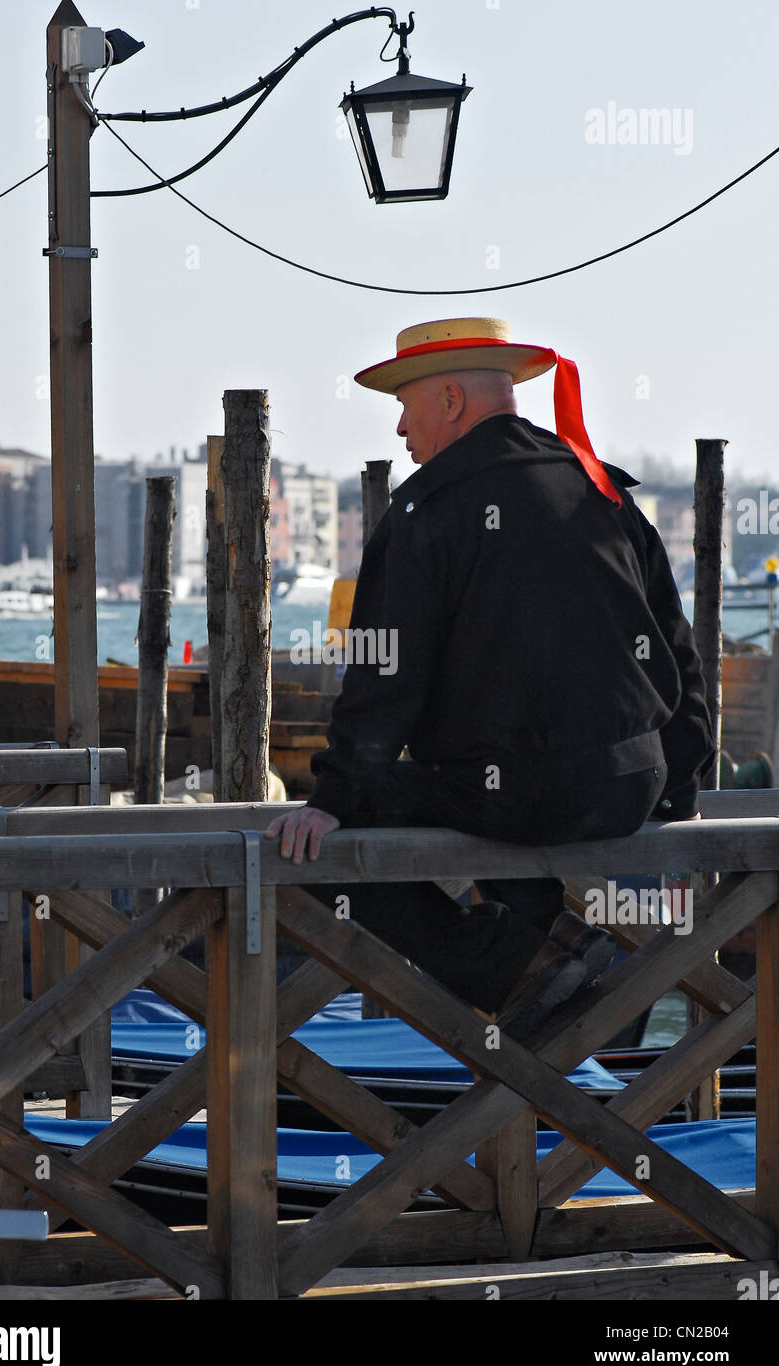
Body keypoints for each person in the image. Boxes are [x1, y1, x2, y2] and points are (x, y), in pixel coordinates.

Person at [266, 317, 715, 1037]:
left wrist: (334, 798)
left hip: (512, 794)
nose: (400, 431)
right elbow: (676, 648)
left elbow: (385, 677)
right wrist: (682, 784)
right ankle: (559, 987)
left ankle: (513, 969)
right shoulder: (603, 488)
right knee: (502, 791)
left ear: (450, 400)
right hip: (631, 787)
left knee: (309, 849)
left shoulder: (424, 510)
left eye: (405, 405)